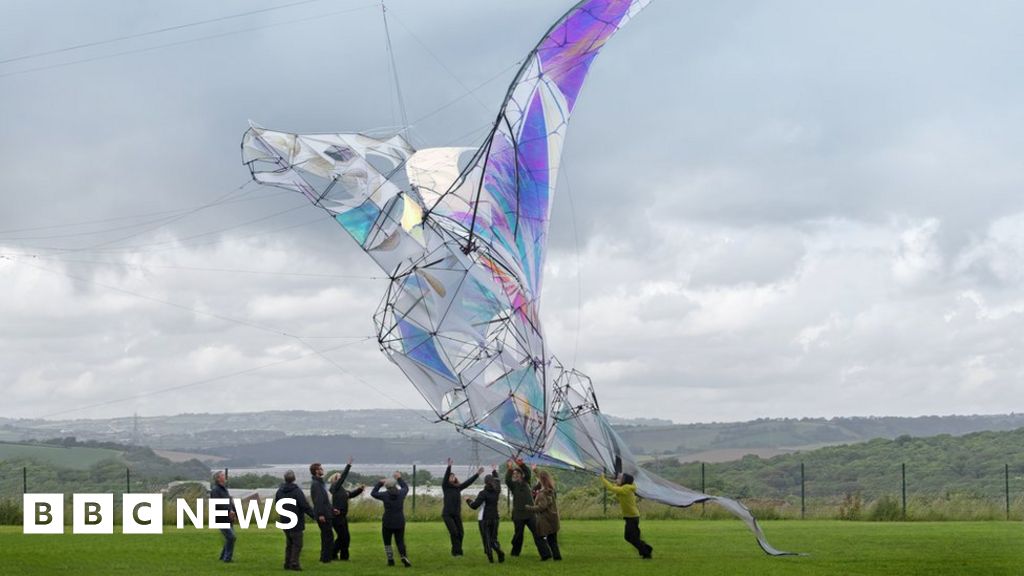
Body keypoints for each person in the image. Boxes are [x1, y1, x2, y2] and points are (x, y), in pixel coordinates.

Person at [505, 459, 551, 560]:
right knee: (518, 535)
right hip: (518, 515)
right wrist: (509, 468)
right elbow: (507, 480)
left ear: (522, 475)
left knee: (538, 533)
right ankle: (515, 553)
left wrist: (521, 464)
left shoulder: (527, 482)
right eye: (514, 474)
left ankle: (545, 554)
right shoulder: (513, 485)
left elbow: (527, 472)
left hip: (530, 514)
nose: (515, 475)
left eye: (517, 473)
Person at [601, 472, 653, 559]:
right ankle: (646, 548)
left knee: (630, 537)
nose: (617, 479)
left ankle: (646, 551)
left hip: (632, 517)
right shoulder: (627, 487)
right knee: (631, 537)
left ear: (624, 481)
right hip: (632, 517)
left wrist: (603, 478)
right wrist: (616, 482)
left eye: (619, 478)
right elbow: (616, 488)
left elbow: (612, 488)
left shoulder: (626, 488)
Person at [441, 458, 484, 556]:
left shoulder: (458, 487)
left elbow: (468, 482)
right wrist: (449, 466)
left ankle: (455, 551)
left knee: (461, 533)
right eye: (450, 476)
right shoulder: (445, 486)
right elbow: (445, 476)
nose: (452, 477)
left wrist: (477, 474)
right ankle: (458, 552)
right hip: (447, 514)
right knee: (454, 533)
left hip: (456, 514)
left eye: (453, 476)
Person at [274, 469, 315, 571]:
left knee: (289, 543)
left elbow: (277, 504)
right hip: (295, 521)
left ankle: (287, 563)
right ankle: (294, 563)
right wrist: (314, 515)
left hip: (284, 521)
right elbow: (304, 505)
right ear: (294, 479)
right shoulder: (297, 491)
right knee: (297, 544)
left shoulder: (279, 491)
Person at [371, 471, 411, 567]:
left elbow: (373, 493)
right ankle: (403, 556)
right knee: (400, 541)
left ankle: (390, 559)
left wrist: (380, 483)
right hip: (400, 521)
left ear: (387, 487)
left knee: (387, 542)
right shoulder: (401, 493)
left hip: (388, 522)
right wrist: (399, 478)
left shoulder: (385, 495)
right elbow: (406, 488)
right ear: (395, 485)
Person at [465, 466, 505, 563]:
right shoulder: (497, 491)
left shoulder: (483, 493)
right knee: (494, 538)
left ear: (485, 482)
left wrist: (468, 500)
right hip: (495, 517)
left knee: (486, 539)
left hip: (484, 518)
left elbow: (474, 506)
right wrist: (494, 471)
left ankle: (491, 558)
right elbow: (498, 481)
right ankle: (498, 551)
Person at [329, 457, 365, 561]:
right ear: (335, 480)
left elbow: (350, 494)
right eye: (338, 477)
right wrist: (348, 465)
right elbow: (343, 477)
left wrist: (360, 489)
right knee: (343, 537)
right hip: (337, 517)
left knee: (345, 537)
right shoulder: (334, 488)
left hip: (342, 517)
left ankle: (341, 556)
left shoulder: (341, 490)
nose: (341, 478)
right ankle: (335, 554)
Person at [525, 469, 561, 560]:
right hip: (553, 518)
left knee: (543, 537)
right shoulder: (550, 490)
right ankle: (556, 556)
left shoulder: (542, 494)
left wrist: (529, 508)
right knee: (552, 539)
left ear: (541, 480)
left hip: (546, 519)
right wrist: (536, 471)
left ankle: (548, 556)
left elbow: (542, 507)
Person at [209, 470, 237, 563]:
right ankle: (227, 558)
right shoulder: (215, 490)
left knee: (229, 537)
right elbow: (218, 504)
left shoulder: (224, 489)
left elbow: (229, 502)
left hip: (228, 518)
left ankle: (223, 556)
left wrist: (234, 512)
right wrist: (229, 511)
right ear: (218, 478)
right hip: (221, 517)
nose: (225, 477)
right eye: (222, 475)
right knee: (231, 537)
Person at [309, 462, 334, 564]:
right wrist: (320, 515)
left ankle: (325, 557)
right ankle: (325, 558)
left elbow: (325, 500)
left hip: (327, 513)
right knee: (327, 536)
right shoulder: (316, 484)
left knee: (327, 535)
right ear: (316, 471)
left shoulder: (320, 483)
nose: (322, 470)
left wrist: (332, 509)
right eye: (320, 468)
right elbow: (318, 501)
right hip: (323, 515)